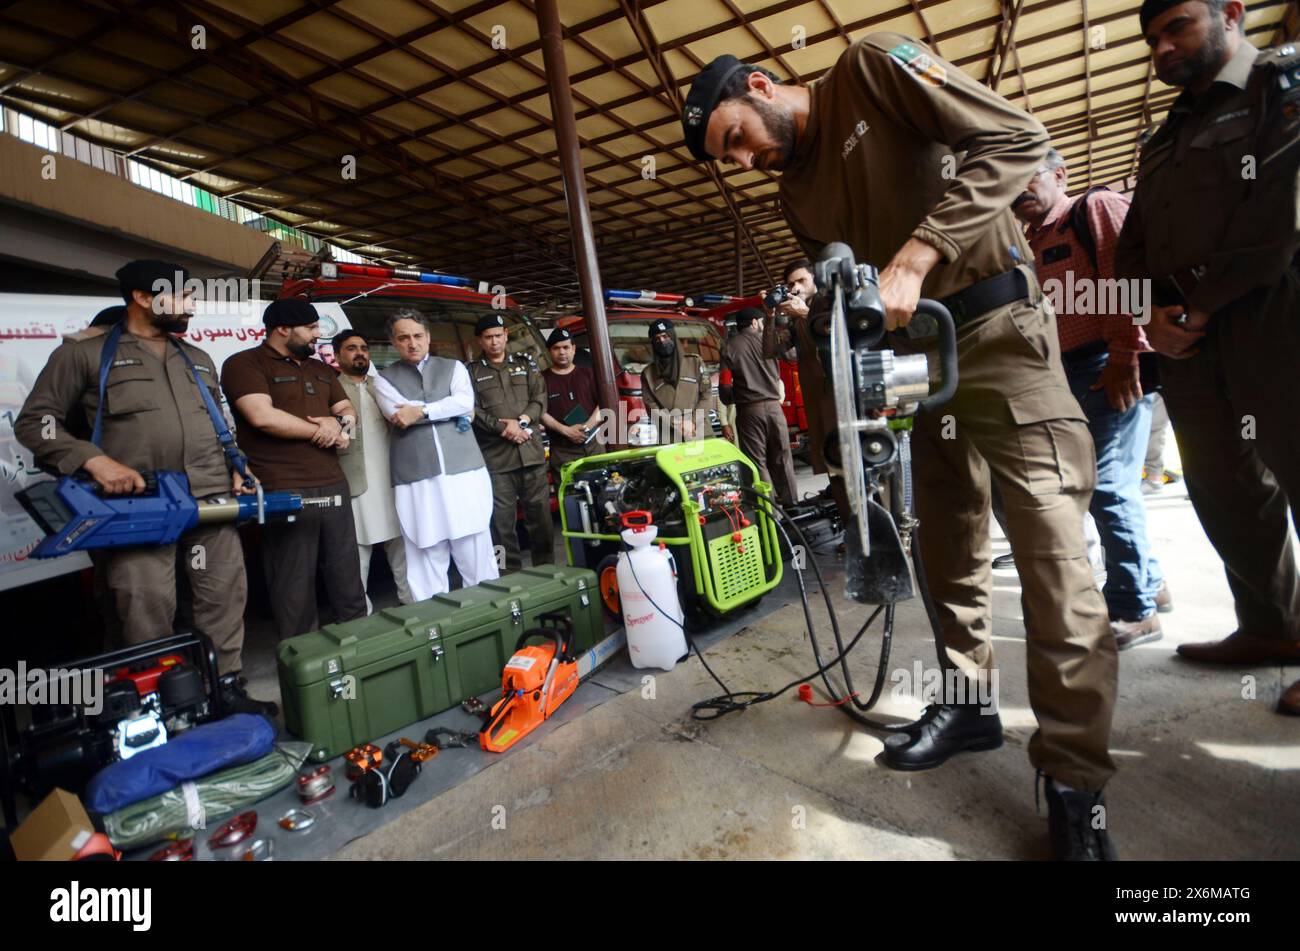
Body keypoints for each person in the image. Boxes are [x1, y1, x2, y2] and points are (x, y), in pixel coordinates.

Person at [683, 35, 1119, 859]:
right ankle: (968, 704)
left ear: (763, 85)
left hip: (997, 331)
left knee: (1054, 561)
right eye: (728, 157)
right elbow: (845, 312)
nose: (742, 160)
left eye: (736, 137)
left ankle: (1075, 783)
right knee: (946, 546)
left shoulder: (868, 70)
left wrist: (921, 252)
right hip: (916, 367)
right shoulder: (795, 197)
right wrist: (838, 424)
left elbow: (1017, 139)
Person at [1115, 0, 1300, 715]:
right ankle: (1271, 627)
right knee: (1223, 486)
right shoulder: (1162, 138)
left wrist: (1196, 305)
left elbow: (1280, 211)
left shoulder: (1280, 84)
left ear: (1231, 13)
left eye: (1177, 27)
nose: (1161, 46)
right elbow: (1134, 240)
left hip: (1273, 315)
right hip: (1188, 342)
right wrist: (1146, 314)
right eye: (1152, 37)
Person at [15, 259, 274, 715]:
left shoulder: (197, 359)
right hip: (138, 509)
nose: (191, 306)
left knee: (223, 598)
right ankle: (162, 704)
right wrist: (93, 460)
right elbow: (38, 423)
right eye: (181, 296)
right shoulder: (84, 355)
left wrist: (236, 464)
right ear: (141, 297)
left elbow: (218, 426)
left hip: (211, 500)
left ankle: (225, 688)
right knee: (145, 607)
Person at [1012, 148, 1171, 648]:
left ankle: (1134, 609)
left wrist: (1126, 354)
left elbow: (1128, 281)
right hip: (1074, 371)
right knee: (1100, 481)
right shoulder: (1036, 239)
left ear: (1060, 175)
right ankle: (1152, 582)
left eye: (1027, 177)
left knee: (1107, 485)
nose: (1017, 191)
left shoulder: (1093, 209)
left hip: (1110, 362)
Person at [221, 299, 367, 640]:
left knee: (346, 574)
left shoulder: (321, 369)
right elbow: (262, 416)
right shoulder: (245, 363)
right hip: (283, 489)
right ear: (282, 329)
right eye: (311, 328)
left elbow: (346, 410)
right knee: (293, 581)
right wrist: (325, 429)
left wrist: (342, 428)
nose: (317, 335)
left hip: (333, 483)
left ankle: (362, 648)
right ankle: (305, 659)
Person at [372, 311, 498, 598]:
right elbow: (399, 415)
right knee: (425, 548)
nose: (412, 343)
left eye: (418, 336)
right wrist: (447, 409)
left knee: (475, 545)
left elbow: (465, 401)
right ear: (393, 342)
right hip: (416, 478)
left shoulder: (454, 368)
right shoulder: (383, 379)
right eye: (403, 338)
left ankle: (489, 616)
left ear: (428, 337)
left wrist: (423, 410)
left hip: (464, 472)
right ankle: (436, 631)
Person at [332, 329, 412, 610]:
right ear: (337, 355)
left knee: (402, 546)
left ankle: (413, 604)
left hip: (391, 479)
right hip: (355, 482)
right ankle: (360, 615)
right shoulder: (331, 388)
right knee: (357, 551)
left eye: (364, 347)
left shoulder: (383, 386)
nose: (360, 353)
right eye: (352, 348)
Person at [468, 312, 553, 572]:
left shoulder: (526, 365)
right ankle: (508, 577)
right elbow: (471, 409)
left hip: (531, 454)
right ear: (480, 341)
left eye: (498, 336)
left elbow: (539, 398)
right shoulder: (471, 372)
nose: (494, 342)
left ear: (506, 336)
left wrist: (523, 423)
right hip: (497, 460)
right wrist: (504, 428)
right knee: (501, 527)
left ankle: (547, 572)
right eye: (488, 337)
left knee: (541, 521)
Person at [720, 307, 799, 506]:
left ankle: (769, 511)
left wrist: (736, 396)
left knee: (757, 462)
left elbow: (724, 388)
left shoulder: (729, 347)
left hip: (748, 412)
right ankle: (793, 506)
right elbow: (792, 355)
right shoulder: (769, 342)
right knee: (783, 458)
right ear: (755, 322)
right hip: (775, 409)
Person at [640, 318, 718, 444]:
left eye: (665, 336)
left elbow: (706, 394)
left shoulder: (694, 362)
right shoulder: (648, 373)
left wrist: (692, 421)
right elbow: (652, 408)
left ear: (673, 337)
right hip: (670, 437)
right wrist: (677, 424)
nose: (662, 341)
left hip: (698, 430)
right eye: (657, 339)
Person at [540, 327, 602, 480]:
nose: (562, 352)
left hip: (594, 445)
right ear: (549, 351)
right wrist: (566, 431)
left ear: (573, 349)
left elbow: (603, 405)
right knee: (569, 497)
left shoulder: (588, 374)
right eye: (556, 348)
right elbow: (540, 412)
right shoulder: (541, 380)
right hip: (562, 451)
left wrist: (586, 427)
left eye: (566, 347)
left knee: (601, 492)